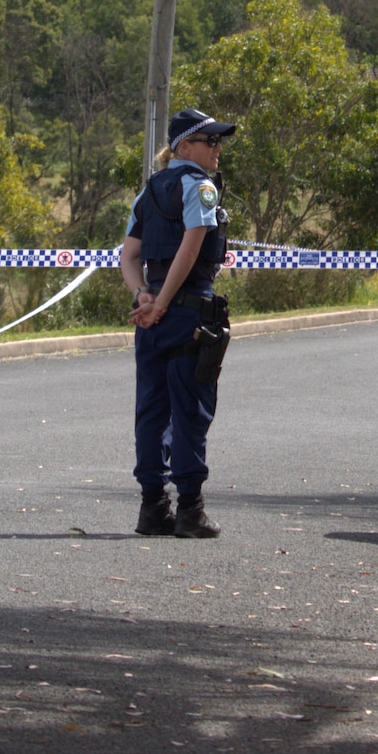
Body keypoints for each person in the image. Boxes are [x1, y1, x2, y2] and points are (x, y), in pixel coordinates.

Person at [120, 108, 237, 539]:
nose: (218, 149)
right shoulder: (200, 188)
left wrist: (143, 297)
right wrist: (163, 302)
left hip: (151, 316)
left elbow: (128, 257)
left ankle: (152, 508)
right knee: (190, 410)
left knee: (151, 410)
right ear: (184, 147)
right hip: (187, 312)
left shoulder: (148, 191)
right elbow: (191, 248)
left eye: (219, 142)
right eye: (210, 142)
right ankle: (190, 509)